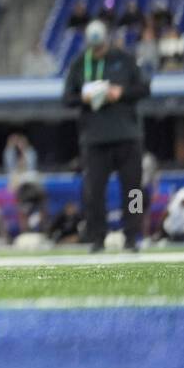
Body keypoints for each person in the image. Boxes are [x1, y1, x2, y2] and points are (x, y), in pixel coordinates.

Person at [62, 20, 150, 252]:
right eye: (94, 47)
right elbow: (67, 98)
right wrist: (85, 97)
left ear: (107, 40)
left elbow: (144, 89)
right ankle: (97, 238)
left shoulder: (125, 59)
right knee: (94, 191)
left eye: (100, 46)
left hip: (127, 135)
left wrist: (120, 93)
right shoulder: (80, 63)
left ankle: (132, 236)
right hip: (94, 138)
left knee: (133, 189)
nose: (98, 51)